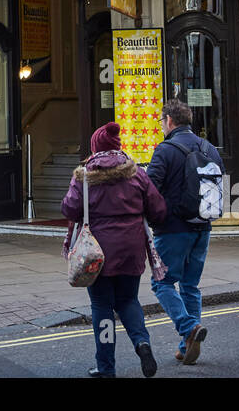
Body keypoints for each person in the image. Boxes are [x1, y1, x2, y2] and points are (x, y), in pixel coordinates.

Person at [61, 121, 166, 378]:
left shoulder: (84, 175)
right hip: (131, 249)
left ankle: (106, 367)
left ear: (95, 147)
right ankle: (143, 344)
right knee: (129, 300)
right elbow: (158, 210)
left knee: (102, 306)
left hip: (97, 253)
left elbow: (69, 209)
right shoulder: (136, 173)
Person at [147, 99, 225, 365]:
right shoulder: (210, 148)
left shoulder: (165, 150)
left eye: (161, 121)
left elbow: (150, 190)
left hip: (172, 230)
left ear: (169, 121)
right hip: (203, 227)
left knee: (162, 283)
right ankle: (186, 346)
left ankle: (188, 328)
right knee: (190, 286)